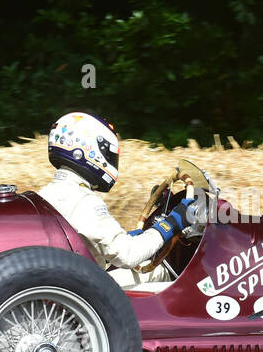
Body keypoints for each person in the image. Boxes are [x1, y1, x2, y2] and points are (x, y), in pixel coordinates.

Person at [37, 111, 192, 287]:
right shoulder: (82, 200)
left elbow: (89, 244)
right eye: (109, 153)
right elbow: (128, 255)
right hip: (86, 291)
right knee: (163, 274)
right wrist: (171, 224)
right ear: (87, 150)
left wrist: (129, 237)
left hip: (66, 283)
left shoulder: (45, 194)